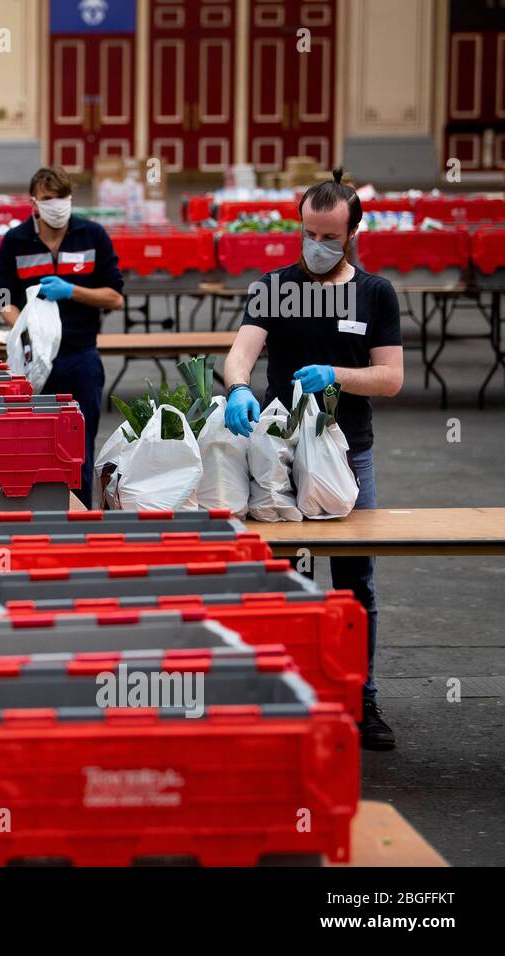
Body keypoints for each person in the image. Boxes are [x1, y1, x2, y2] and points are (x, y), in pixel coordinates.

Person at [223, 168, 404, 751]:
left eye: (330, 237)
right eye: (309, 233)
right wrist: (239, 388)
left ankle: (361, 696)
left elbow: (391, 377)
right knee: (290, 575)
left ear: (353, 232)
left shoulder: (375, 294)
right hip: (280, 459)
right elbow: (240, 353)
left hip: (349, 456)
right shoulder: (274, 287)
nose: (317, 247)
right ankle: (293, 692)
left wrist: (339, 376)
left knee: (355, 583)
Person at [0, 165, 124, 506]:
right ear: (34, 203)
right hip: (36, 363)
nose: (57, 205)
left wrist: (72, 291)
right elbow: (3, 298)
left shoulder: (92, 236)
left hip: (81, 357)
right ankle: (35, 519)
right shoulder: (15, 241)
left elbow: (115, 297)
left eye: (63, 198)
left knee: (78, 449)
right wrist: (25, 327)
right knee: (32, 447)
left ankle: (80, 520)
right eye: (49, 199)